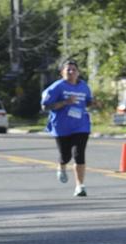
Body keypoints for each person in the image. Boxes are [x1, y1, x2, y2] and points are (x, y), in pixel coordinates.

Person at [41, 59, 94, 197]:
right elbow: (45, 106)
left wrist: (94, 103)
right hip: (61, 127)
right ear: (62, 72)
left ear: (78, 72)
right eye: (68, 69)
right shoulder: (57, 87)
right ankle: (61, 166)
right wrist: (65, 102)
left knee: (79, 154)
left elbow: (88, 101)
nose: (71, 72)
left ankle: (80, 186)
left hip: (81, 126)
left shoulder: (84, 86)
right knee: (65, 156)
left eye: (74, 70)